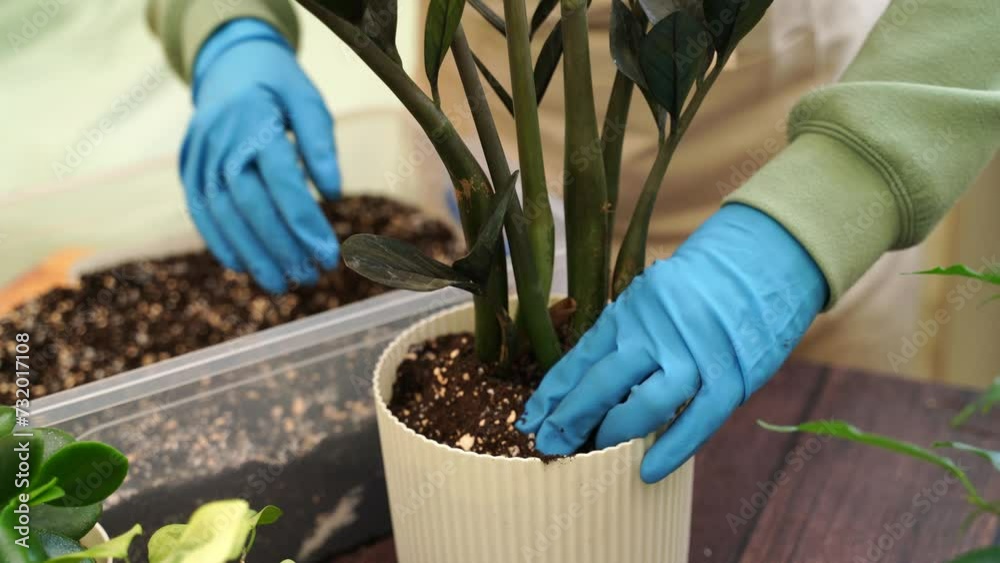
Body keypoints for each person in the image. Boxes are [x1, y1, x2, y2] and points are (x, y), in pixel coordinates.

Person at [146, 0, 1000, 482]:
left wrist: (823, 208)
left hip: (783, 143)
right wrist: (229, 27)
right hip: (494, 137)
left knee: (810, 499)